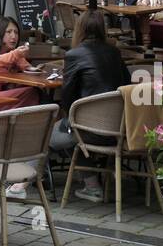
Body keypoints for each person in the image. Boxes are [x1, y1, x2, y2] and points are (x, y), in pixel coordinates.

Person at [49, 12, 132, 201]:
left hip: (89, 130)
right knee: (70, 132)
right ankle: (93, 183)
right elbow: (127, 84)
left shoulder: (74, 55)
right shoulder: (114, 52)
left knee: (47, 133)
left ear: (79, 29)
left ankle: (24, 182)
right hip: (119, 129)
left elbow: (67, 97)